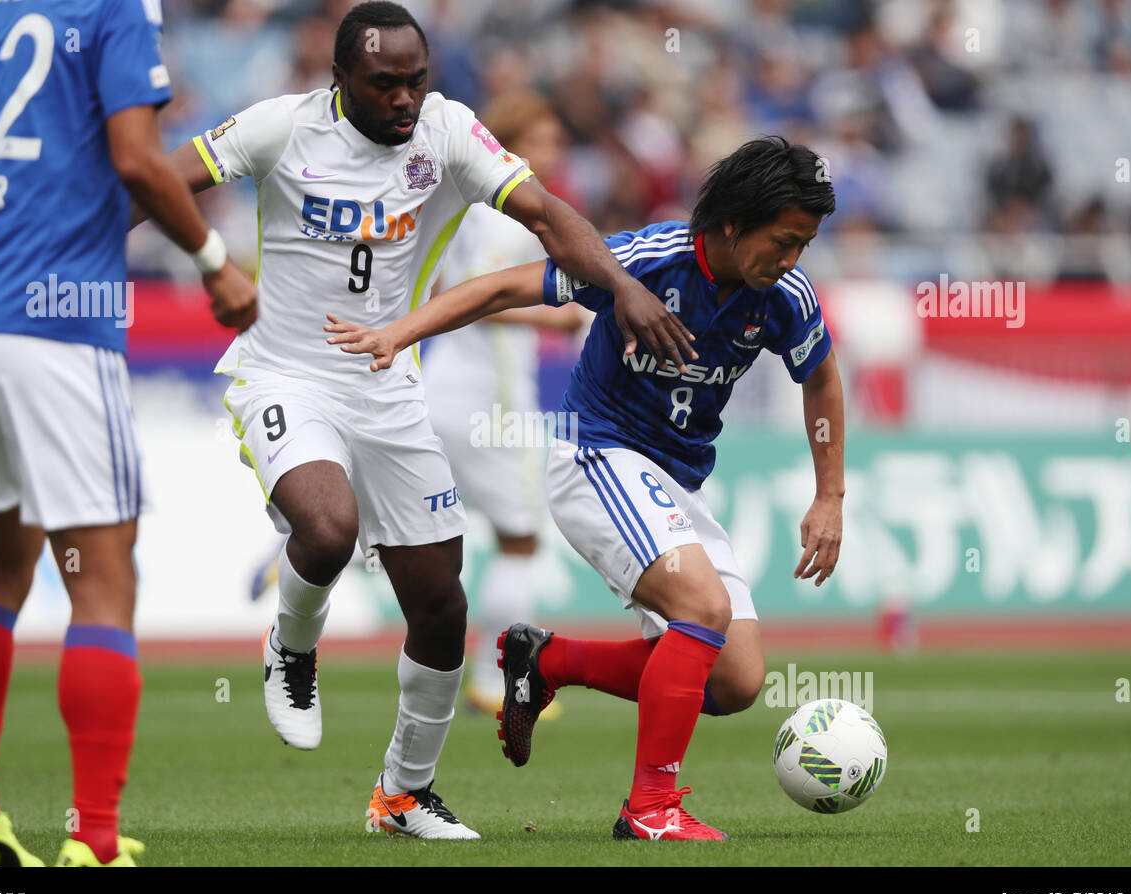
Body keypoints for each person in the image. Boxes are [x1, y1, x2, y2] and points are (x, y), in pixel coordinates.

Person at [152, 0, 691, 839]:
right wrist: (198, 260)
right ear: (339, 81)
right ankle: (292, 647)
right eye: (384, 85)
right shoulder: (277, 128)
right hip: (283, 373)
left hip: (388, 384)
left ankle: (404, 795)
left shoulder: (448, 133)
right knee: (328, 531)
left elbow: (545, 214)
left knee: (440, 607)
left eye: (416, 81)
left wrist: (621, 286)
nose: (404, 100)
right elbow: (157, 179)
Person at [327, 135, 844, 841]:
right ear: (731, 223)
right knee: (702, 605)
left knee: (737, 681)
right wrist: (398, 334)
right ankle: (651, 809)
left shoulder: (783, 296)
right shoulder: (642, 264)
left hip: (675, 481)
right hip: (596, 455)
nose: (790, 261)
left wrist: (829, 496)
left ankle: (548, 660)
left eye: (802, 247)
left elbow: (819, 376)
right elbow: (503, 286)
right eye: (783, 241)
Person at [0, 0, 256, 865]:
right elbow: (136, 158)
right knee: (102, 580)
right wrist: (216, 263)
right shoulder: (113, 6)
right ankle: (95, 840)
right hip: (52, 322)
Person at [418, 89, 586, 715]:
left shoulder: (463, 207)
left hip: (438, 389)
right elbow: (475, 295)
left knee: (424, 535)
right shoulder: (501, 214)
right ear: (512, 143)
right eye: (542, 140)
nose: (553, 151)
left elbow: (437, 284)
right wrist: (556, 319)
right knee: (519, 539)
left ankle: (311, 561)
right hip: (491, 405)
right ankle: (502, 682)